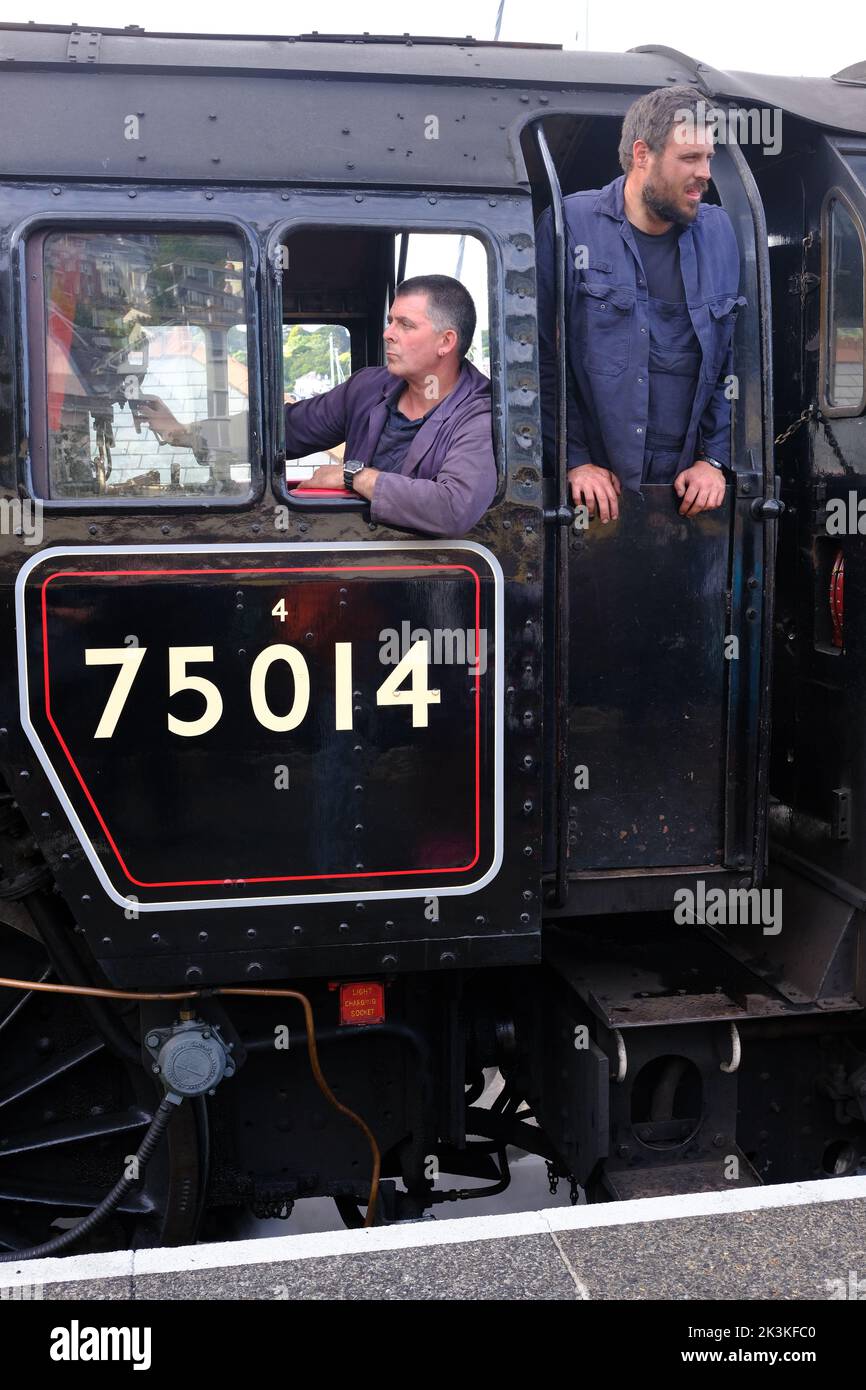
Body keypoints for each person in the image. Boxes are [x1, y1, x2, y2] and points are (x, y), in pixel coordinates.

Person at [139, 274, 496, 538]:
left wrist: (353, 476)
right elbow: (287, 429)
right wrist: (185, 434)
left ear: (446, 341)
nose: (389, 333)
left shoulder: (478, 413)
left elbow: (452, 507)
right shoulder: (369, 388)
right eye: (390, 321)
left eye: (405, 324)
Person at [536, 84, 745, 523]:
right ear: (642, 154)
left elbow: (732, 360)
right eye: (689, 158)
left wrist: (714, 459)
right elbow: (540, 359)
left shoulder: (720, 233)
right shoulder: (569, 225)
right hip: (592, 494)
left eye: (708, 157)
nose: (705, 172)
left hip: (685, 497)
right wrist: (573, 459)